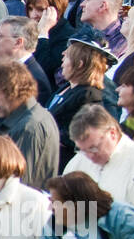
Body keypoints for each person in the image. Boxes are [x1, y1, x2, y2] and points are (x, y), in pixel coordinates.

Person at [47, 37, 117, 167]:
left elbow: (86, 136)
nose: (62, 58)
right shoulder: (67, 87)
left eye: (67, 56)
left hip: (64, 164)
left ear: (79, 64)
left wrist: (57, 138)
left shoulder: (89, 96)